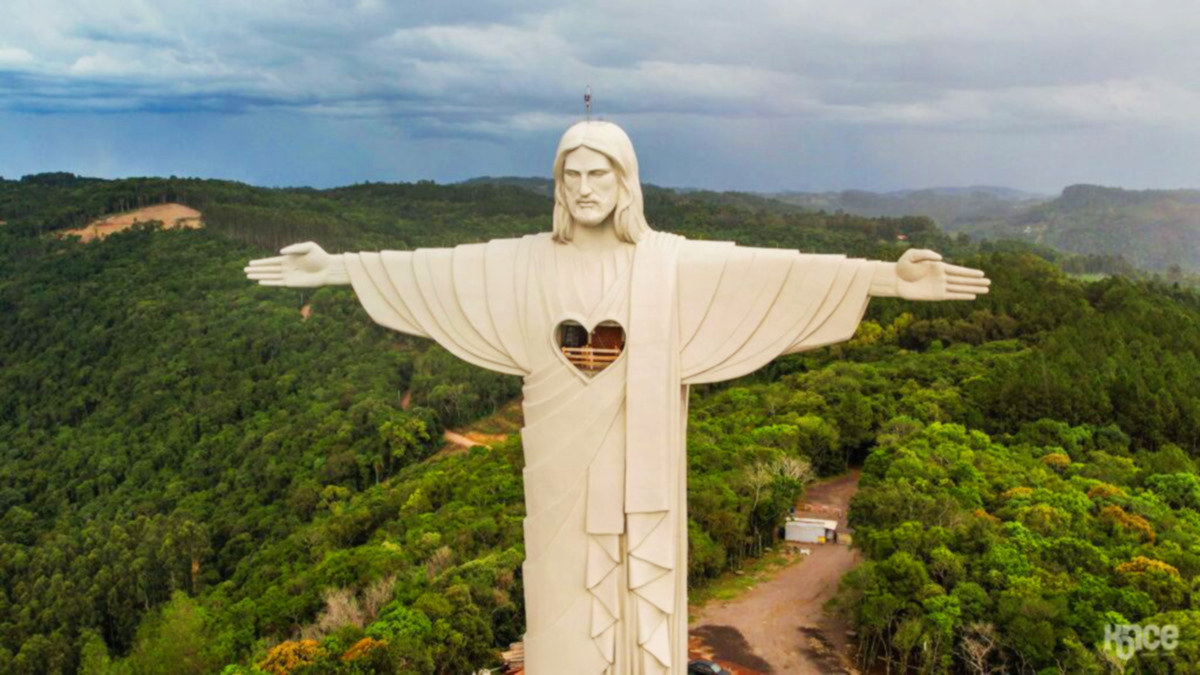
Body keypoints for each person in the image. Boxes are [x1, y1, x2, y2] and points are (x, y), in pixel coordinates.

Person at [245, 120, 989, 674]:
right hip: (559, 483)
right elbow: (435, 271)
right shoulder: (525, 265)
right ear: (557, 185)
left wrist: (889, 278)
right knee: (563, 614)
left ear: (626, 181)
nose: (585, 189)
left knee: (637, 623)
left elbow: (775, 276)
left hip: (644, 492)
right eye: (571, 176)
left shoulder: (670, 265)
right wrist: (333, 268)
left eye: (600, 175)